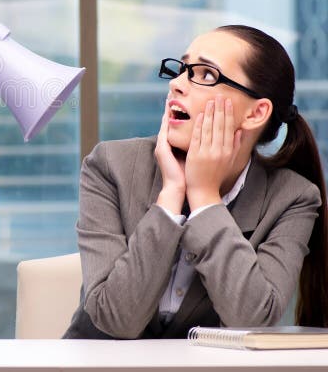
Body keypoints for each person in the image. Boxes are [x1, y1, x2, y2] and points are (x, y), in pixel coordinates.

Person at [64, 24, 328, 339]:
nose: (176, 84)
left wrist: (205, 196)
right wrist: (172, 193)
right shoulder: (110, 166)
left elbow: (253, 320)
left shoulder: (293, 198)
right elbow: (116, 318)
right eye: (182, 69)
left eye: (204, 75)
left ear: (256, 113)